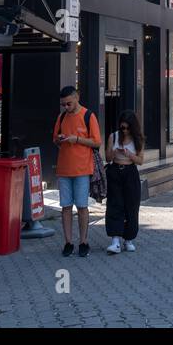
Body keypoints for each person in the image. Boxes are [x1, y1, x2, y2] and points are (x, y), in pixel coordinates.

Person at [53, 86, 101, 257]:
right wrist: (60, 139)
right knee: (65, 206)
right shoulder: (62, 117)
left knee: (82, 206)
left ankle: (83, 241)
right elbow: (55, 139)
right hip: (64, 169)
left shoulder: (88, 116)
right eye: (63, 105)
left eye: (68, 104)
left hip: (82, 169)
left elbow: (96, 142)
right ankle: (68, 242)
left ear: (77, 98)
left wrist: (77, 139)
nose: (66, 107)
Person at [104, 111, 144, 254]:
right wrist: (114, 153)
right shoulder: (113, 136)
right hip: (115, 171)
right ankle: (115, 240)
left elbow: (140, 160)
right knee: (115, 204)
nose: (125, 131)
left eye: (127, 128)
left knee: (131, 205)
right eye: (122, 128)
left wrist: (129, 154)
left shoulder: (137, 139)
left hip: (130, 172)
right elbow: (107, 158)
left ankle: (129, 239)